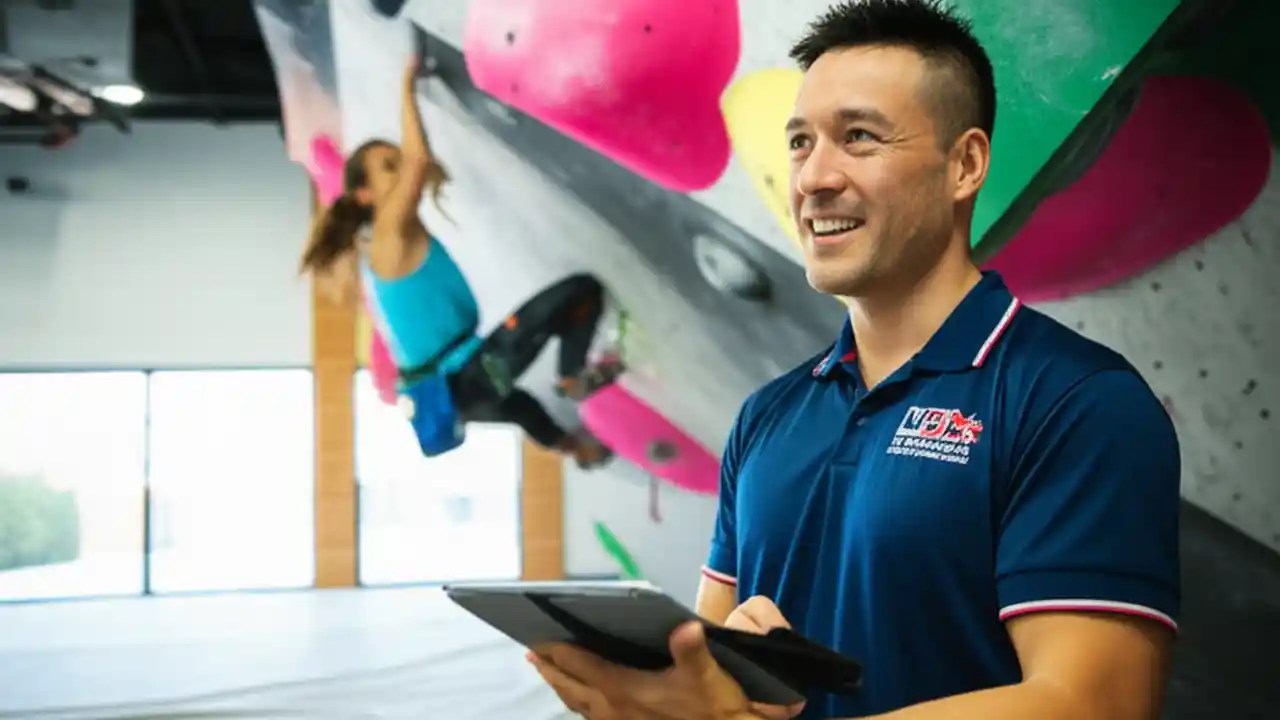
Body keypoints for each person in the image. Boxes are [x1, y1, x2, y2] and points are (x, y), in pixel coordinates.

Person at [526, 1, 1182, 718]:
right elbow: (709, 667)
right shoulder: (767, 417)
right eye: (801, 143)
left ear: (964, 164)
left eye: (859, 137)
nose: (812, 179)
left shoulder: (1076, 402)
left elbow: (1094, 704)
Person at [300, 56, 612, 469]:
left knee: (518, 407)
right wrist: (406, 84)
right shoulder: (389, 236)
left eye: (396, 161)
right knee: (581, 292)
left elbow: (417, 166)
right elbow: (417, 161)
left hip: (459, 392)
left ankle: (578, 449)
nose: (402, 171)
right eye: (387, 168)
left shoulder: (390, 241)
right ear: (364, 195)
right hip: (469, 376)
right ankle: (571, 378)